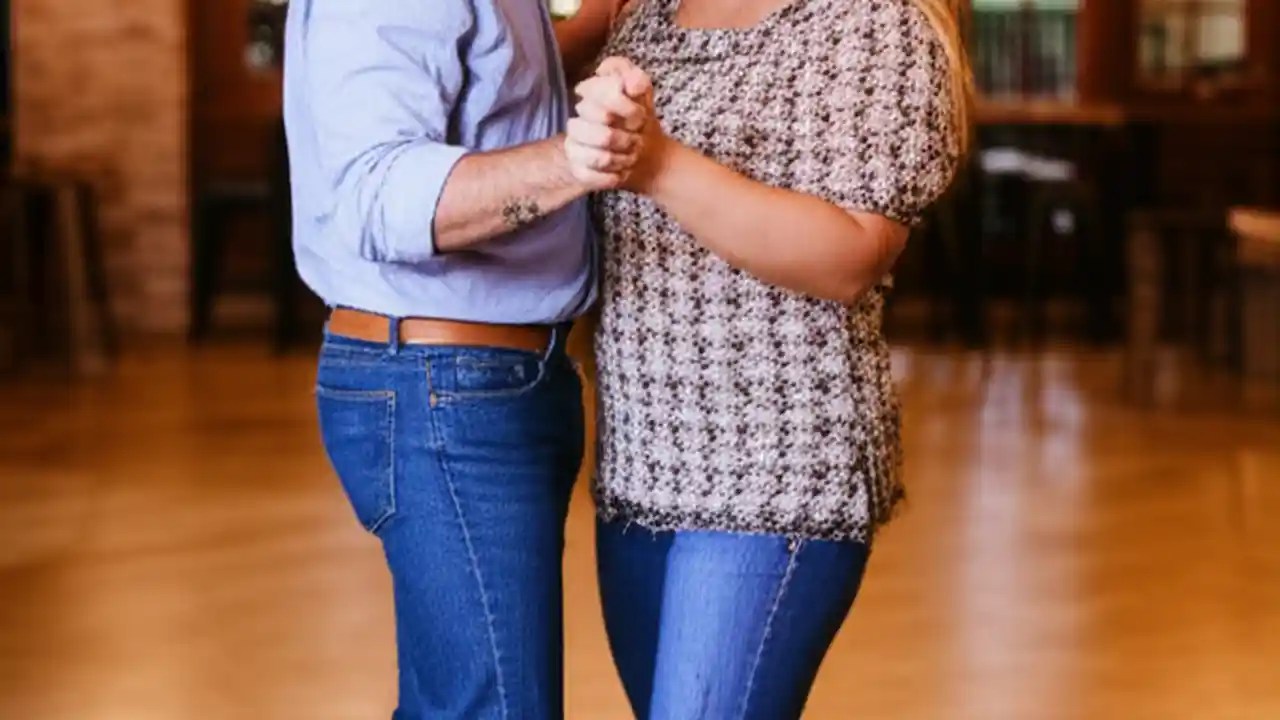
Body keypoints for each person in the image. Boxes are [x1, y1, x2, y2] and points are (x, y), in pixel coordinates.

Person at [565, 0, 972, 717]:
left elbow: (850, 255)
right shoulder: (652, 12)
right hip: (642, 466)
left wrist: (657, 164)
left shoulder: (875, 23)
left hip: (777, 476)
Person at [281, 0, 645, 717]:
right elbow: (381, 196)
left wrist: (600, 25)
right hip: (445, 390)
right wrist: (578, 158)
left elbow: (489, 96)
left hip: (476, 381)